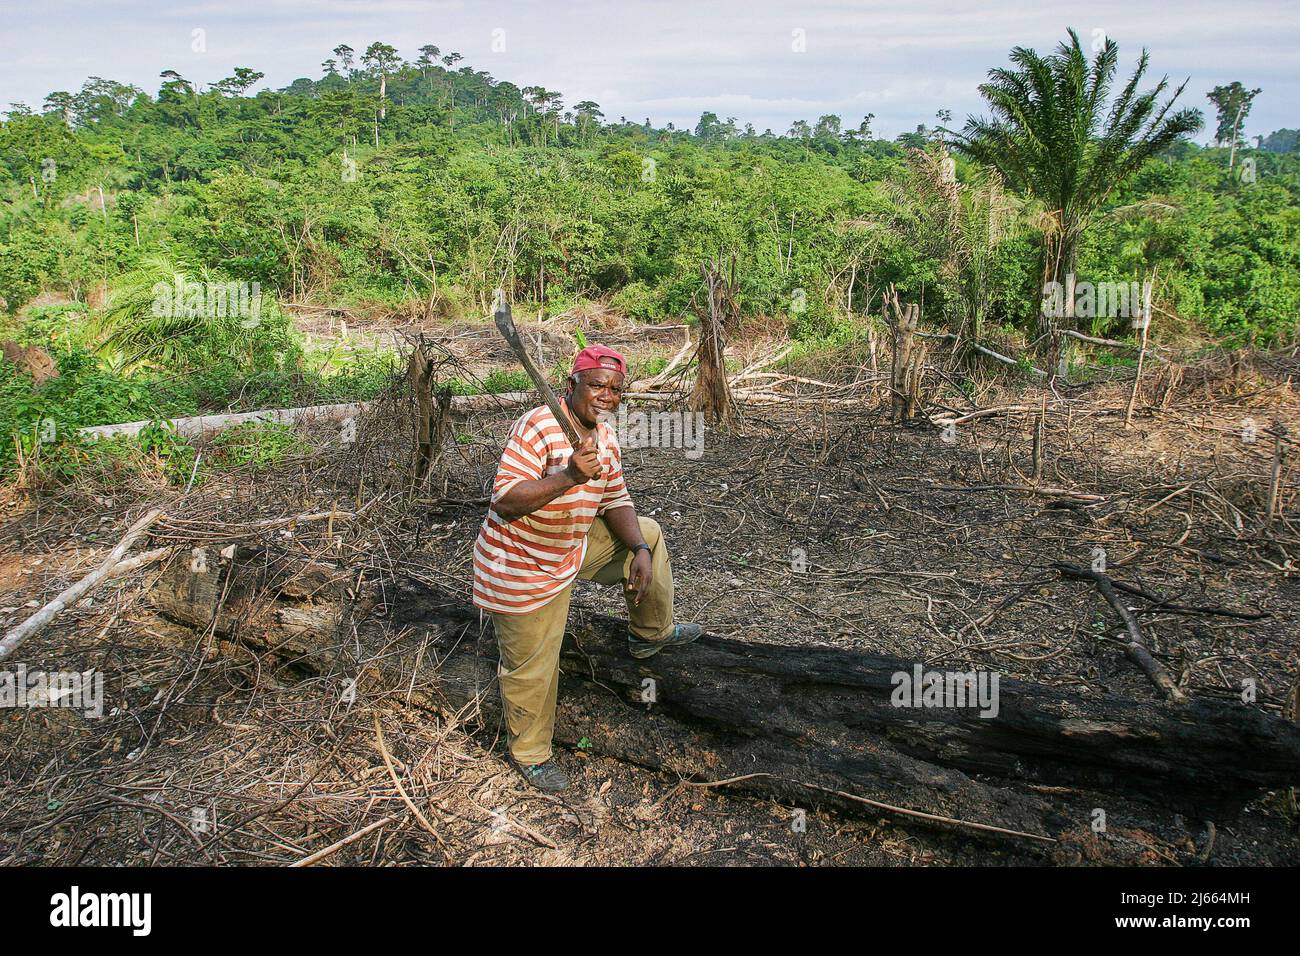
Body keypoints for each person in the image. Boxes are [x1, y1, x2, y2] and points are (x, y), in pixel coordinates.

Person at [472, 344, 702, 792]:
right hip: (521, 564)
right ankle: (531, 754)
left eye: (615, 389)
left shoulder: (605, 436)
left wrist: (636, 548)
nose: (607, 395)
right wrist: (568, 477)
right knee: (534, 669)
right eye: (597, 385)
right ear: (571, 386)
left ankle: (649, 633)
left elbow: (615, 499)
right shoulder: (538, 427)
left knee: (649, 534)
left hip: (571, 547)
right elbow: (504, 501)